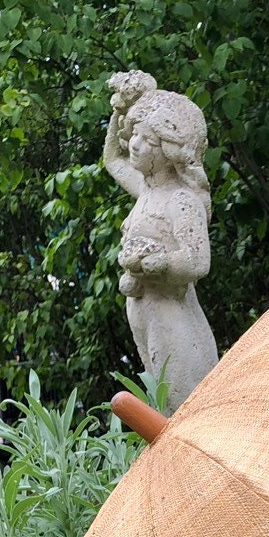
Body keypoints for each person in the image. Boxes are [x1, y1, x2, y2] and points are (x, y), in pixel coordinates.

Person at [103, 71, 218, 410]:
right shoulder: (146, 191)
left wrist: (163, 262)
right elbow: (112, 159)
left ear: (170, 151)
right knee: (162, 409)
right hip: (146, 316)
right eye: (134, 135)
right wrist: (121, 111)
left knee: (184, 410)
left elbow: (199, 261)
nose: (135, 145)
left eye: (148, 141)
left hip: (175, 325)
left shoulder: (180, 200)